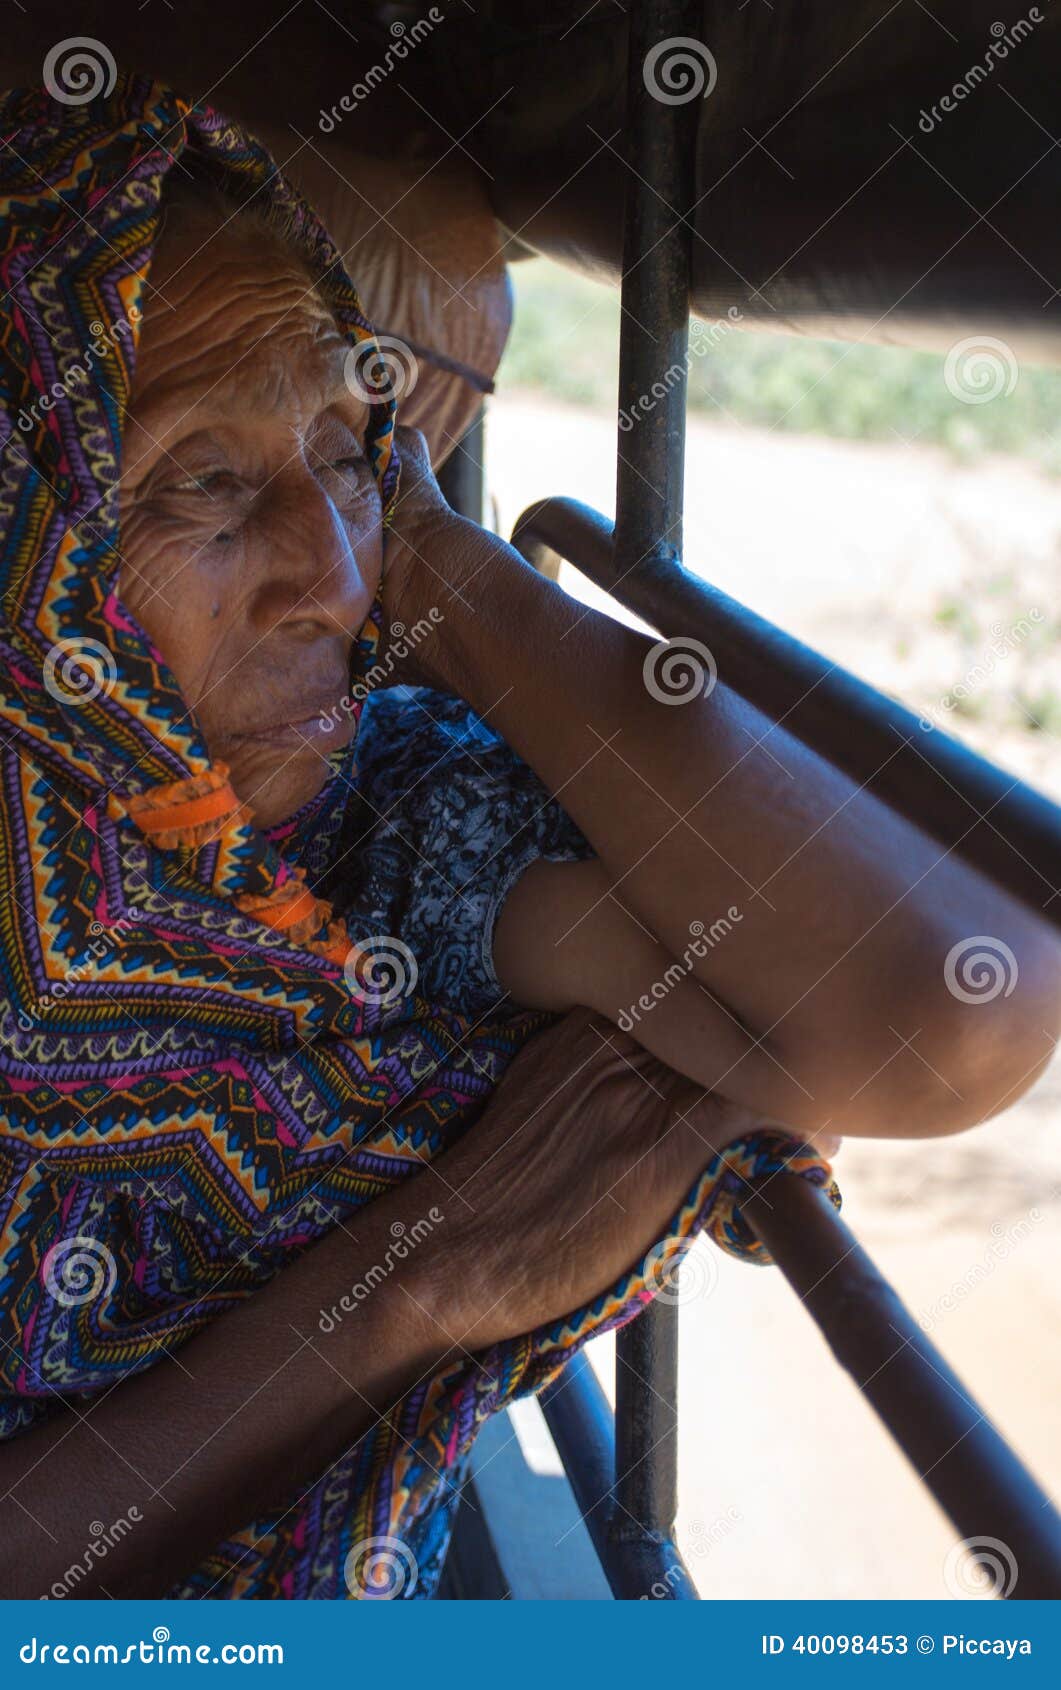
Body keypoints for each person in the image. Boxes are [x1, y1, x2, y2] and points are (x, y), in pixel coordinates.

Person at [0, 72, 1055, 1603]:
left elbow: (952, 1003)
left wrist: (457, 583)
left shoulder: (361, 834)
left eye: (352, 456)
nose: (328, 583)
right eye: (208, 484)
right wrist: (412, 1290)